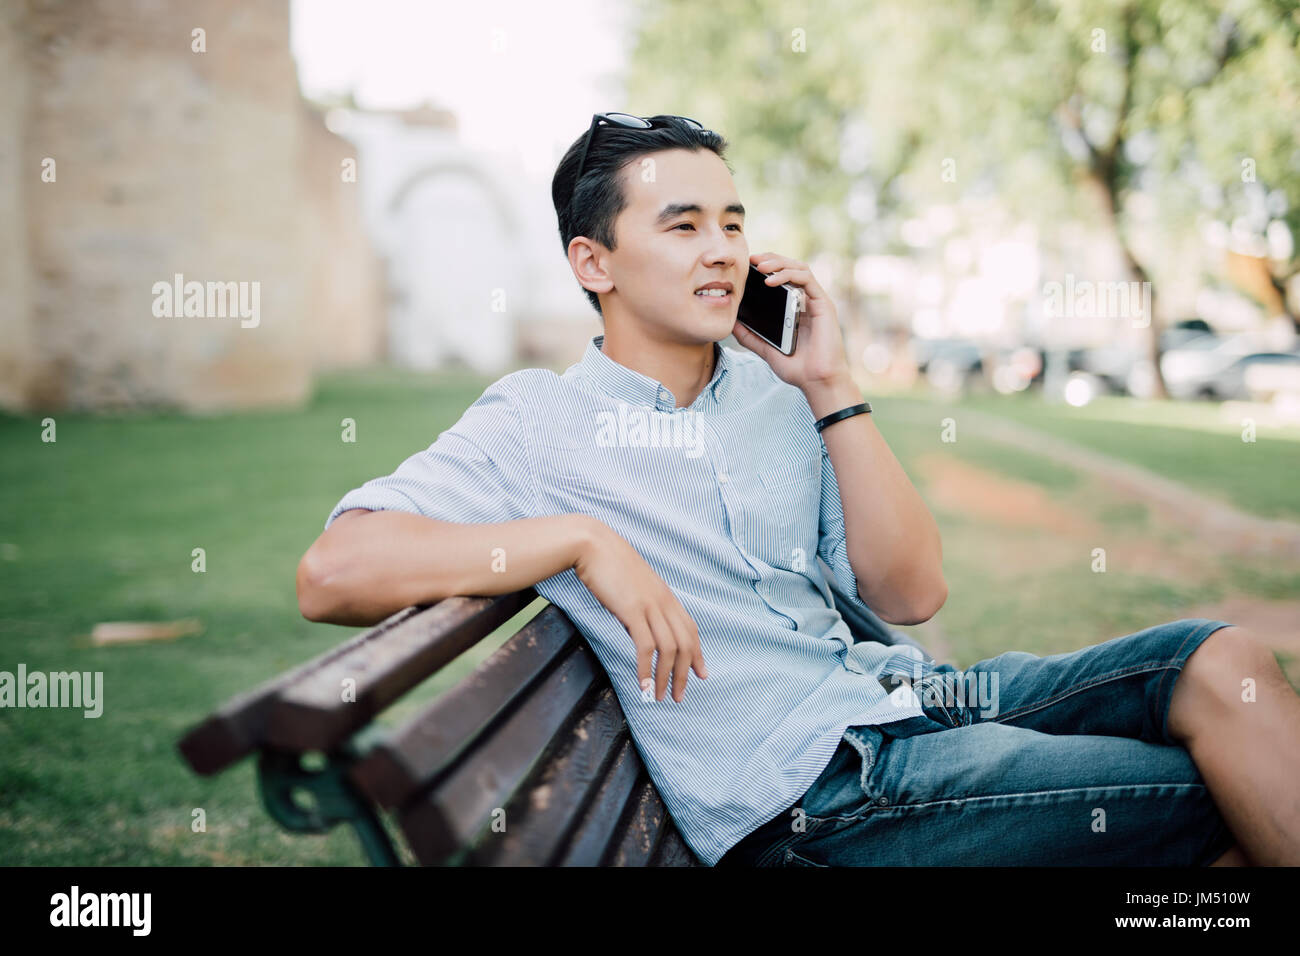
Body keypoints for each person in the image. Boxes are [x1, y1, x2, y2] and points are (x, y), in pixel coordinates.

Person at [296, 114, 1300, 867]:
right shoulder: (536, 422)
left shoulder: (774, 395)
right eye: (682, 224)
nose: (722, 249)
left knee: (1223, 661)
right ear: (591, 261)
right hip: (818, 796)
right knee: (1216, 794)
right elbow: (333, 570)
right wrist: (579, 538)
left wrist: (831, 385)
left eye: (732, 221)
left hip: (907, 701)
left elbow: (910, 594)